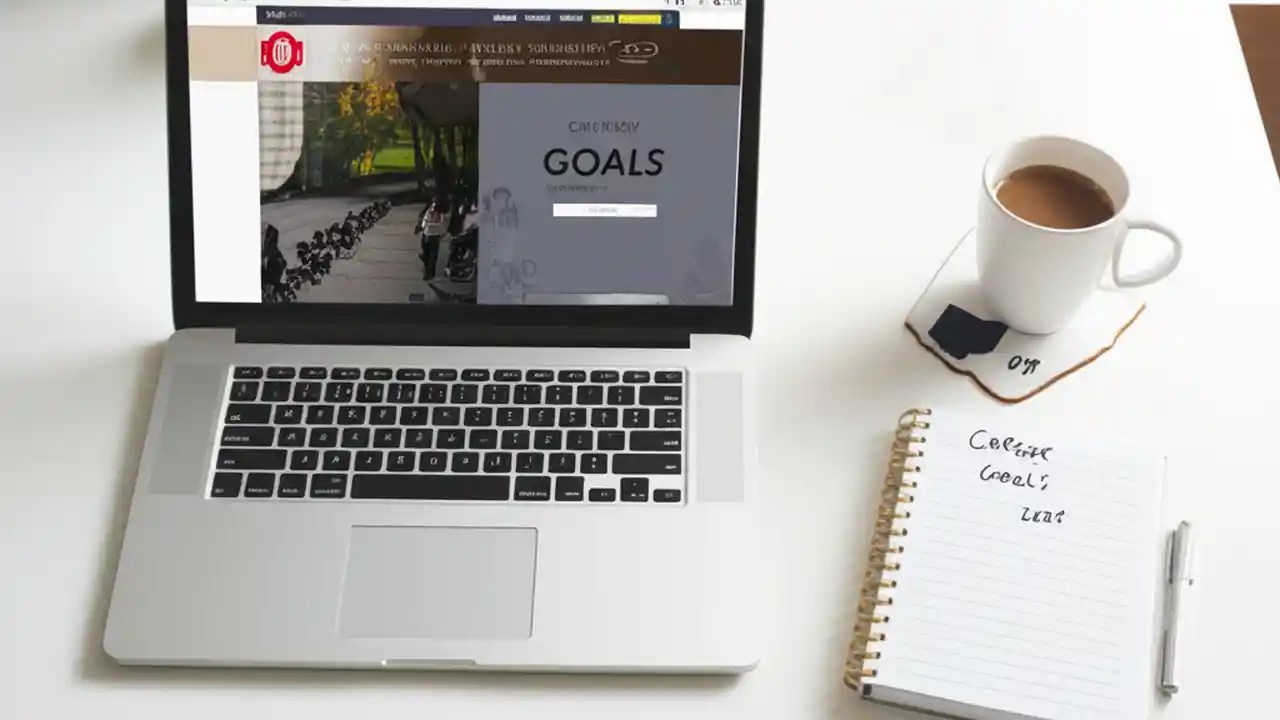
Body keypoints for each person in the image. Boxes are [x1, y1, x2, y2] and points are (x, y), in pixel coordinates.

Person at [261, 225, 287, 302]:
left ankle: (271, 231)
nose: (269, 289)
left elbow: (262, 271)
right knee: (269, 246)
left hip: (274, 261)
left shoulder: (265, 282)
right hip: (276, 261)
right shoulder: (272, 284)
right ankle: (272, 231)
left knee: (269, 246)